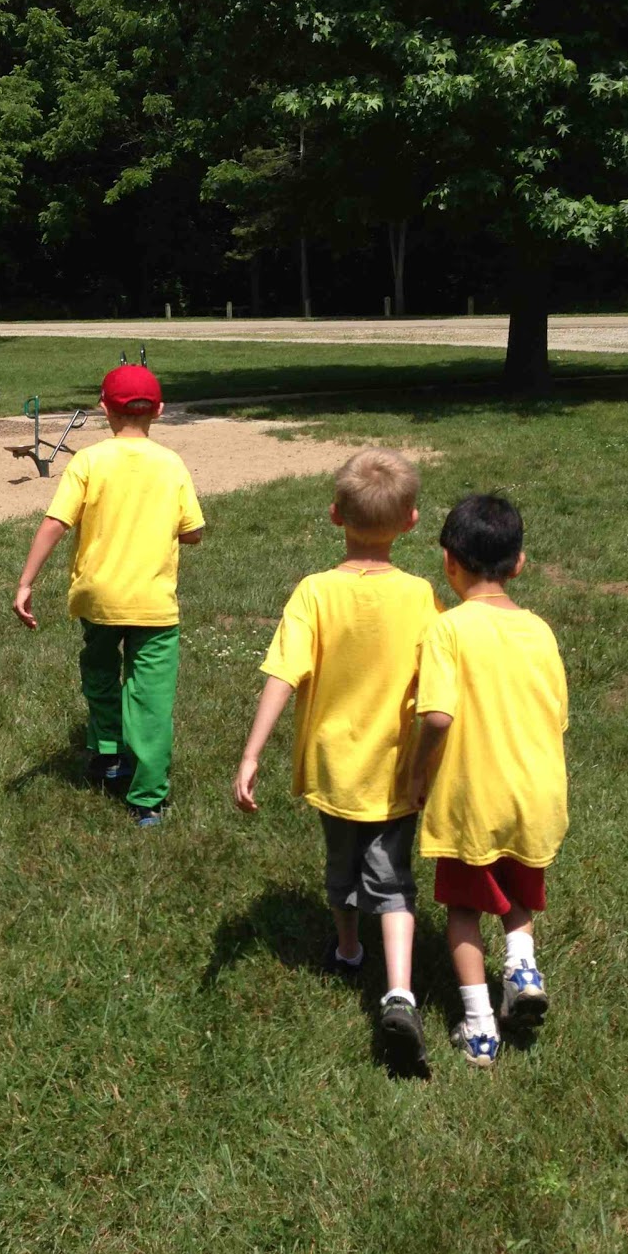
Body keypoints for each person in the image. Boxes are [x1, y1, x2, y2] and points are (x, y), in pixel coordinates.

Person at [233, 449, 439, 1071]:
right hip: (398, 769)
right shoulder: (421, 594)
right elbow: (438, 681)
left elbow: (282, 675)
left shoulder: (314, 592)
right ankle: (399, 990)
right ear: (411, 522)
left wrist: (251, 753)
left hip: (332, 767)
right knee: (393, 875)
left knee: (342, 861)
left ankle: (348, 950)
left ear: (333, 516)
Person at [408, 494, 569, 1069]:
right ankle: (521, 965)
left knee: (463, 909)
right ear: (520, 563)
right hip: (536, 793)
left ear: (448, 561)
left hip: (473, 796)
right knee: (520, 895)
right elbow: (559, 715)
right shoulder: (542, 632)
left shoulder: (447, 630)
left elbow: (437, 717)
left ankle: (479, 1028)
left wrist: (416, 771)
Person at [13, 363, 205, 827]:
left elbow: (57, 522)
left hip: (98, 600)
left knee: (100, 672)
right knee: (151, 698)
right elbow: (193, 532)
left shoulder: (88, 461)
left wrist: (26, 582)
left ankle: (108, 752)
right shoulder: (171, 464)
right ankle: (148, 800)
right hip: (154, 607)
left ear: (104, 409)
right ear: (158, 411)